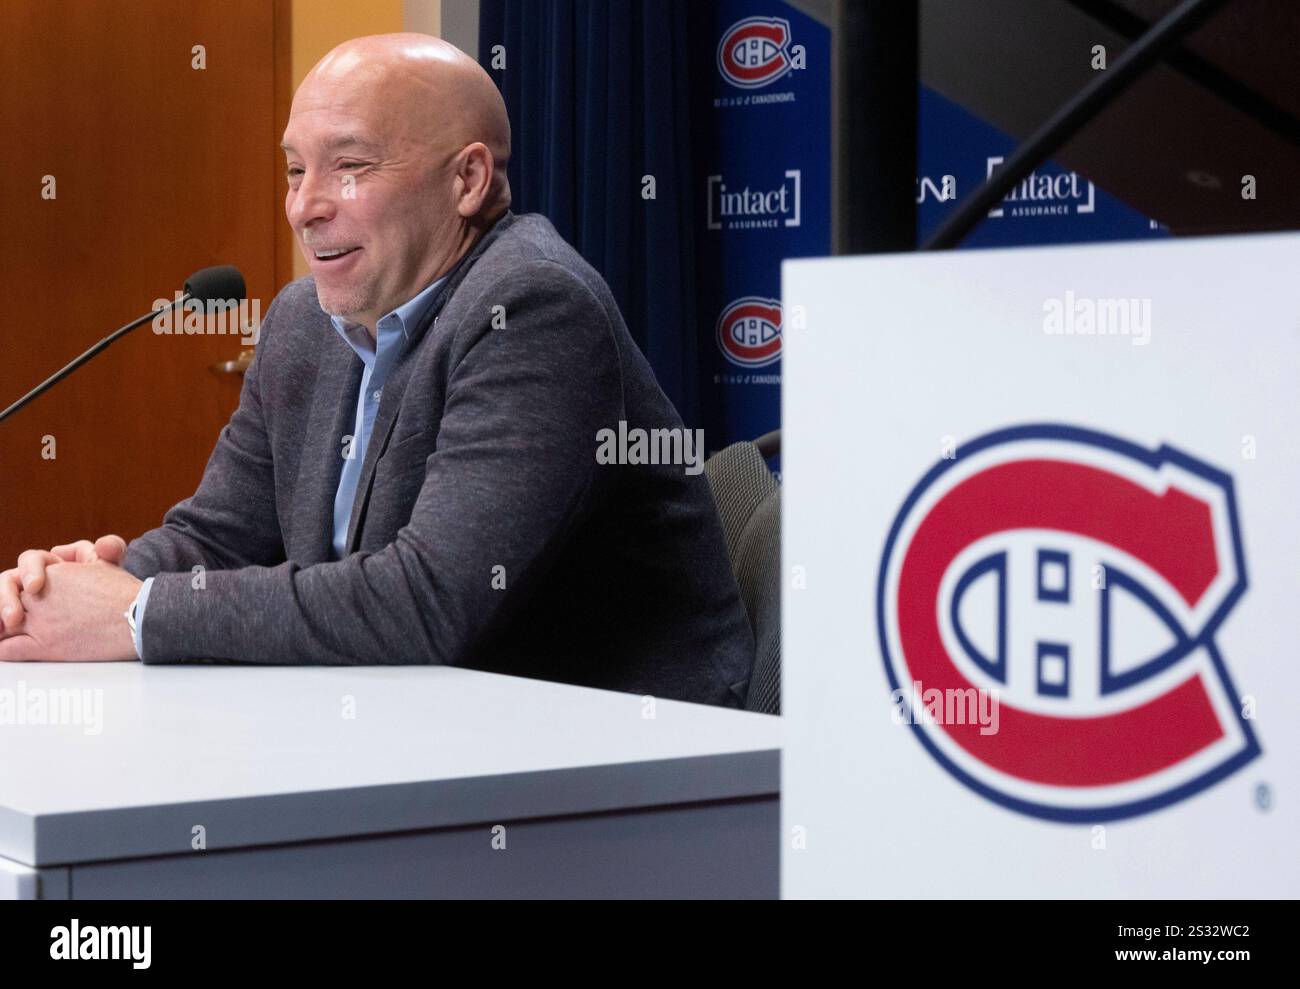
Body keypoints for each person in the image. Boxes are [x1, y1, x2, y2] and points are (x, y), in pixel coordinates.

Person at [0, 34, 754, 708]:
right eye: (295, 170)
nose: (303, 206)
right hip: (401, 729)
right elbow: (222, 535)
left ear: (467, 181)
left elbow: (430, 601)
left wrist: (138, 612)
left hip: (617, 755)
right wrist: (81, 586)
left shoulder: (532, 309)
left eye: (350, 167)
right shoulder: (303, 321)